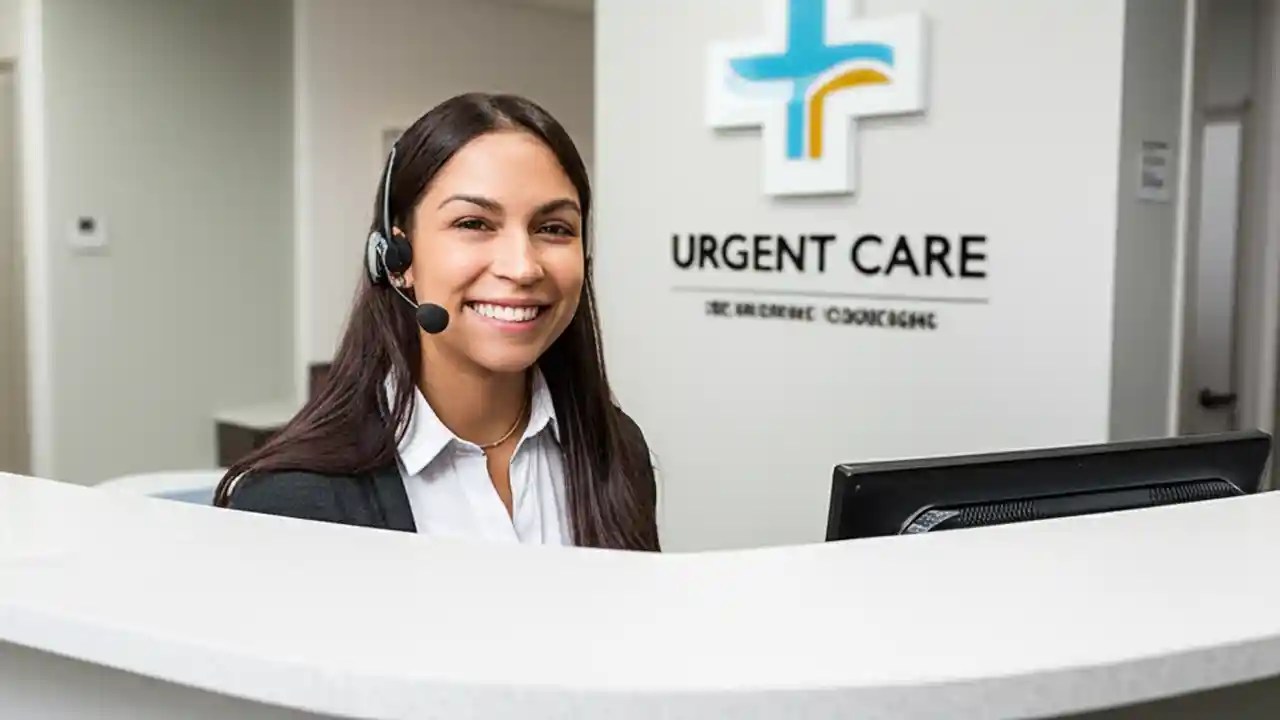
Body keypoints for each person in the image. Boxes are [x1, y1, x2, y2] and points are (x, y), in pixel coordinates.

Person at [214, 93, 660, 552]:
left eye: (554, 228)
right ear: (398, 258)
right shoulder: (292, 501)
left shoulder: (617, 451)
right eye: (474, 223)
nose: (523, 267)